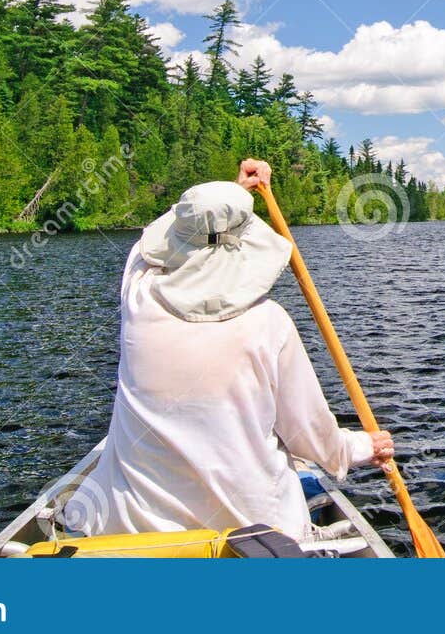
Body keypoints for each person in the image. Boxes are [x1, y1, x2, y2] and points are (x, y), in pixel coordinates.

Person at [66, 158, 393, 541]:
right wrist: (360, 447)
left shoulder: (138, 293)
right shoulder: (270, 325)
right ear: (242, 249)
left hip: (130, 528)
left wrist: (232, 192)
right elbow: (310, 438)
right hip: (254, 534)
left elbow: (180, 228)